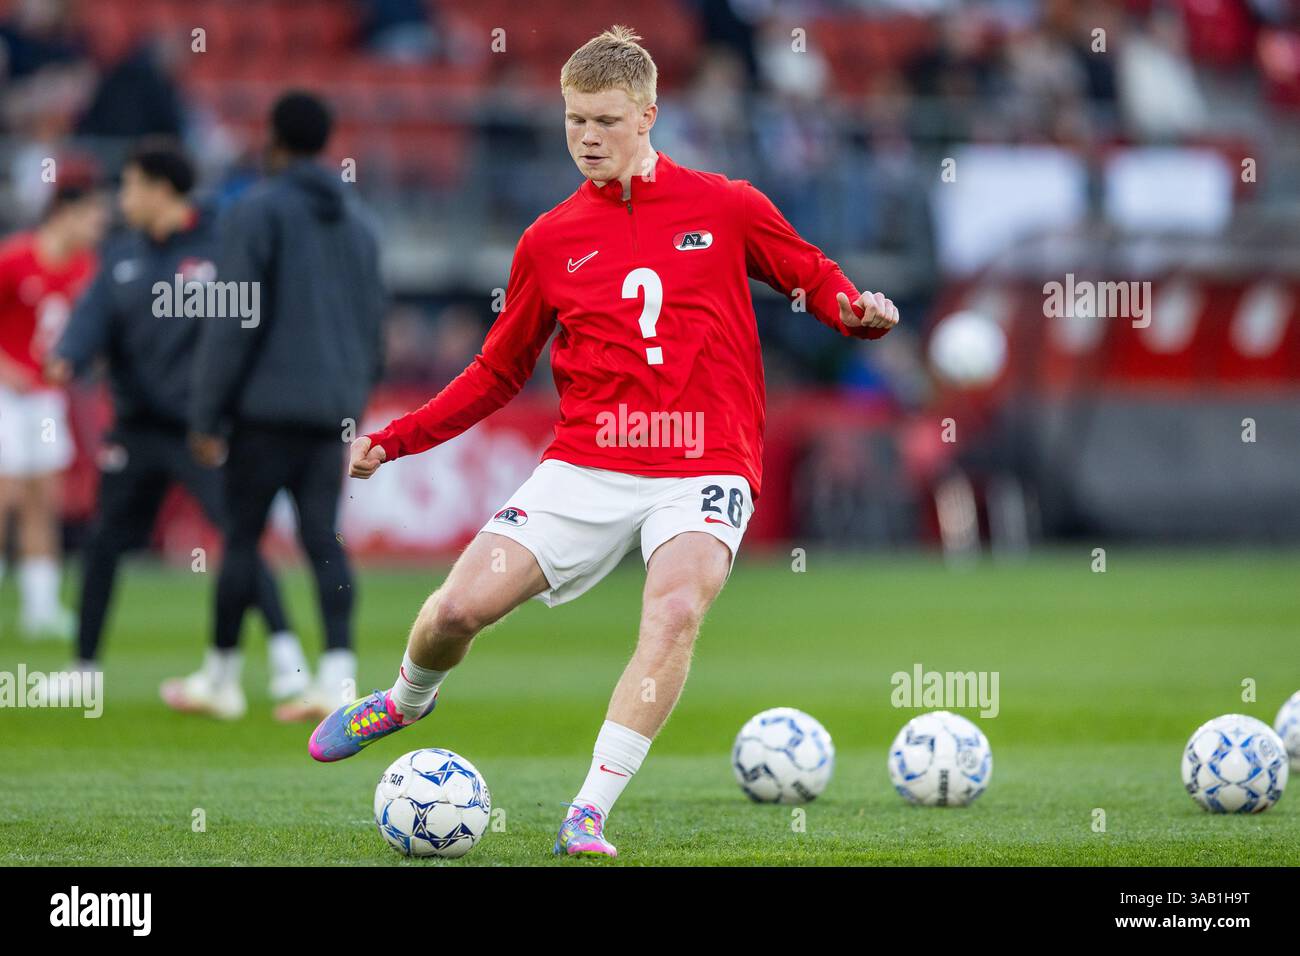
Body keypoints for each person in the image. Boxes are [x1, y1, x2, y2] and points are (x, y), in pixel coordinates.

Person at [308, 27, 899, 859]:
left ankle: (588, 810)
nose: (587, 138)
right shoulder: (549, 241)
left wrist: (853, 312)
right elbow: (496, 371)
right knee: (456, 610)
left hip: (705, 461)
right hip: (588, 462)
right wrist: (397, 440)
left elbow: (813, 275)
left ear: (650, 114)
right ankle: (406, 700)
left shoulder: (727, 206)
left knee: (676, 610)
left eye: (606, 121)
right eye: (574, 121)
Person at [48, 139, 305, 705]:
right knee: (103, 543)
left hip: (204, 431)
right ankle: (84, 668)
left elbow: (250, 327)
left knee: (239, 540)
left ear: (162, 189)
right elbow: (91, 317)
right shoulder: (121, 257)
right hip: (137, 429)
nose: (123, 198)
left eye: (131, 185)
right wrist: (70, 350)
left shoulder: (223, 244)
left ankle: (290, 663)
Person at [169, 92, 385, 722]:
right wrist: (353, 396)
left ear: (274, 140)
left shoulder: (255, 211)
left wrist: (206, 415)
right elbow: (375, 326)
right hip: (331, 411)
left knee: (240, 539)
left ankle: (222, 677)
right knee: (325, 539)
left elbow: (229, 321)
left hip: (263, 412)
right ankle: (338, 678)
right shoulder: (362, 222)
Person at [0, 169, 106, 639]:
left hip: (46, 399)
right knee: (6, 495)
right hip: (5, 393)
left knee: (46, 498)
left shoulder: (86, 269)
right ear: (64, 213)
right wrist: (6, 369)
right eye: (90, 216)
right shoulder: (15, 259)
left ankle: (39, 606)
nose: (97, 227)